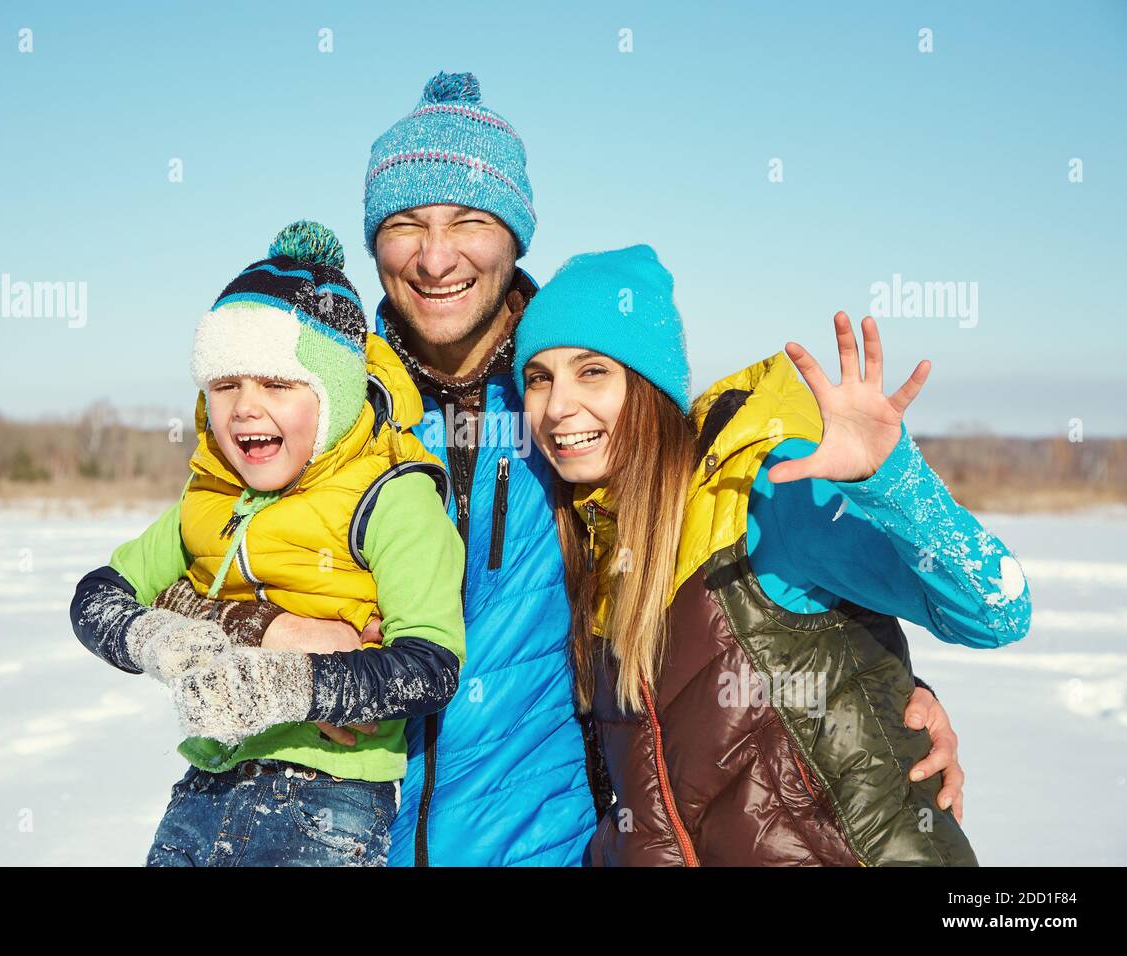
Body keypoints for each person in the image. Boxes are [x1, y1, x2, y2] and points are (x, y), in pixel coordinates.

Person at [73, 70, 971, 867]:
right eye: (404, 225)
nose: (435, 256)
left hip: (548, 841)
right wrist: (261, 624)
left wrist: (882, 692)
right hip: (336, 831)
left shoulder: (577, 417)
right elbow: (191, 565)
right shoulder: (325, 406)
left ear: (514, 236)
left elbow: (706, 570)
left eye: (468, 220)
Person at [512, 243, 1032, 865]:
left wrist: (893, 482)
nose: (559, 405)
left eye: (591, 370)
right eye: (539, 378)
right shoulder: (597, 549)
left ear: (648, 387)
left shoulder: (762, 496)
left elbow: (996, 610)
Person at [70, 221, 466, 866]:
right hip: (202, 787)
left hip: (329, 798)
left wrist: (278, 687)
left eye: (278, 384)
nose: (245, 409)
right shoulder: (208, 501)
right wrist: (163, 640)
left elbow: (428, 667)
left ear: (333, 397)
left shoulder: (391, 497)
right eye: (226, 386)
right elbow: (96, 598)